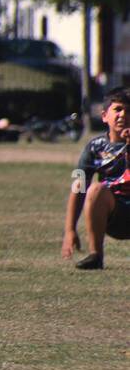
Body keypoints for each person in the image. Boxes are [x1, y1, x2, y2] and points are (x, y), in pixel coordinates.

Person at [62, 88, 129, 270]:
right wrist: (70, 229)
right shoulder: (94, 147)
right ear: (104, 116)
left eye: (129, 111)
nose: (124, 115)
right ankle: (96, 256)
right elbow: (78, 187)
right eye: (118, 109)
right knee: (95, 190)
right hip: (116, 214)